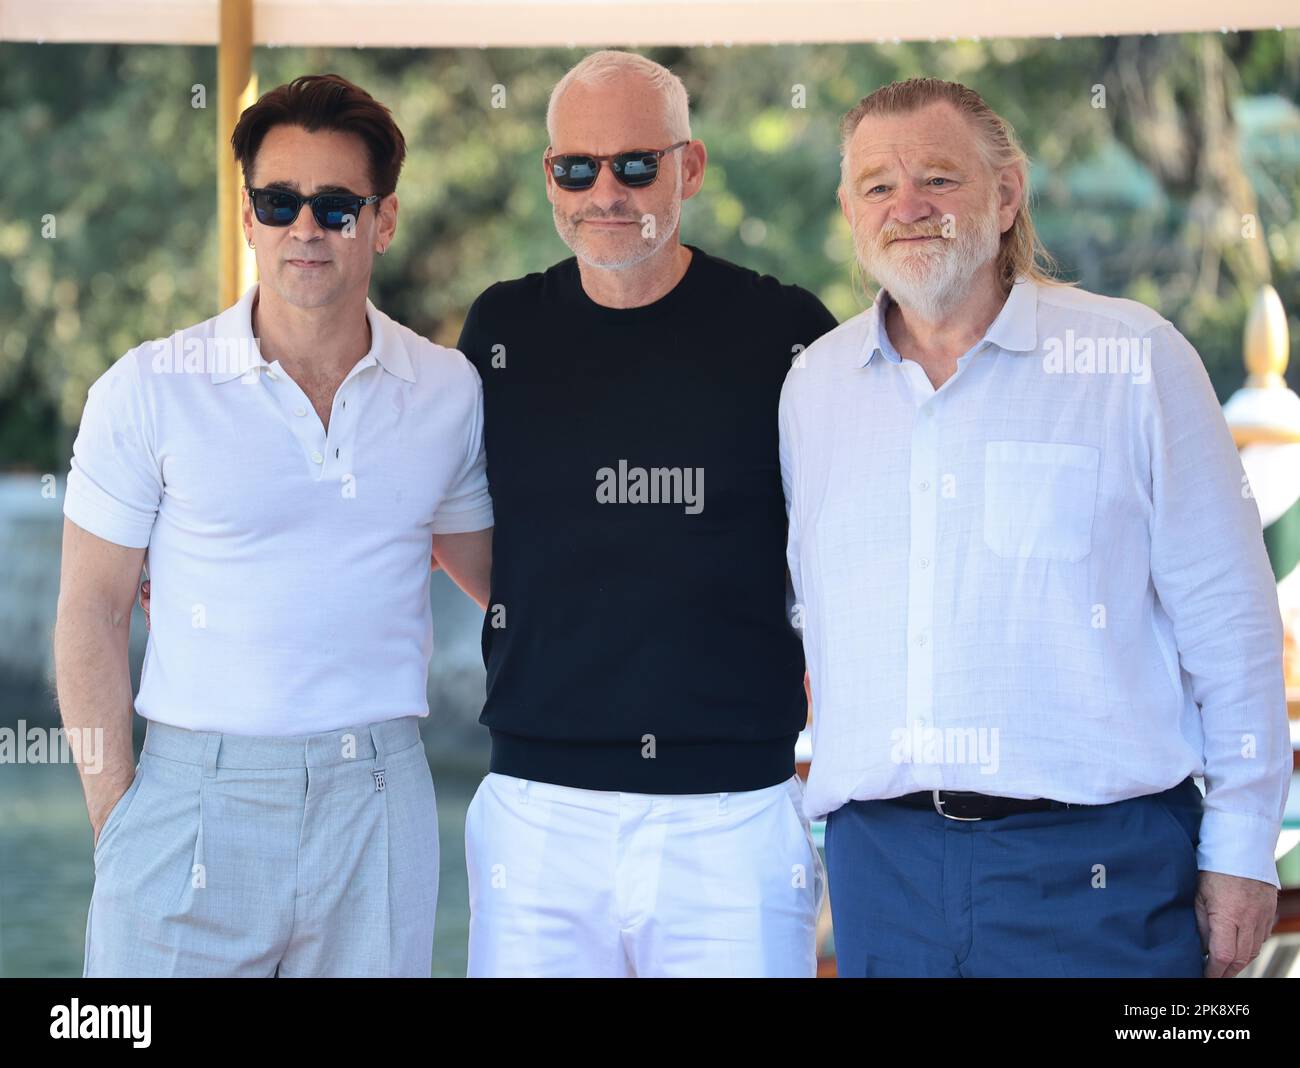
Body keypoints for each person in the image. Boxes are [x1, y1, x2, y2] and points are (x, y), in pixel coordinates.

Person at [779, 76, 1291, 978]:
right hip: (881, 873)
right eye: (877, 187)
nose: (908, 208)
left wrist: (1243, 850)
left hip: (1103, 872)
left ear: (1007, 194)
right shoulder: (812, 389)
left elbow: (1234, 623)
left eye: (939, 178)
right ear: (849, 212)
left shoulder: (1133, 360)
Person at [55, 73, 493, 977]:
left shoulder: (447, 391)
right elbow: (89, 613)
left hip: (379, 804)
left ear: (384, 221)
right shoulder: (146, 389)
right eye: (279, 200)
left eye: (336, 205)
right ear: (248, 216)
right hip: (188, 801)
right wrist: (117, 819)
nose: (306, 226)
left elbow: (500, 580)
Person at [453, 50, 837, 977]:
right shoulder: (500, 330)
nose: (605, 192)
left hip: (734, 812)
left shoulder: (786, 333)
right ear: (550, 175)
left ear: (690, 167)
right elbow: (450, 519)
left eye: (636, 165)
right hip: (536, 810)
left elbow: (843, 542)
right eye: (575, 169)